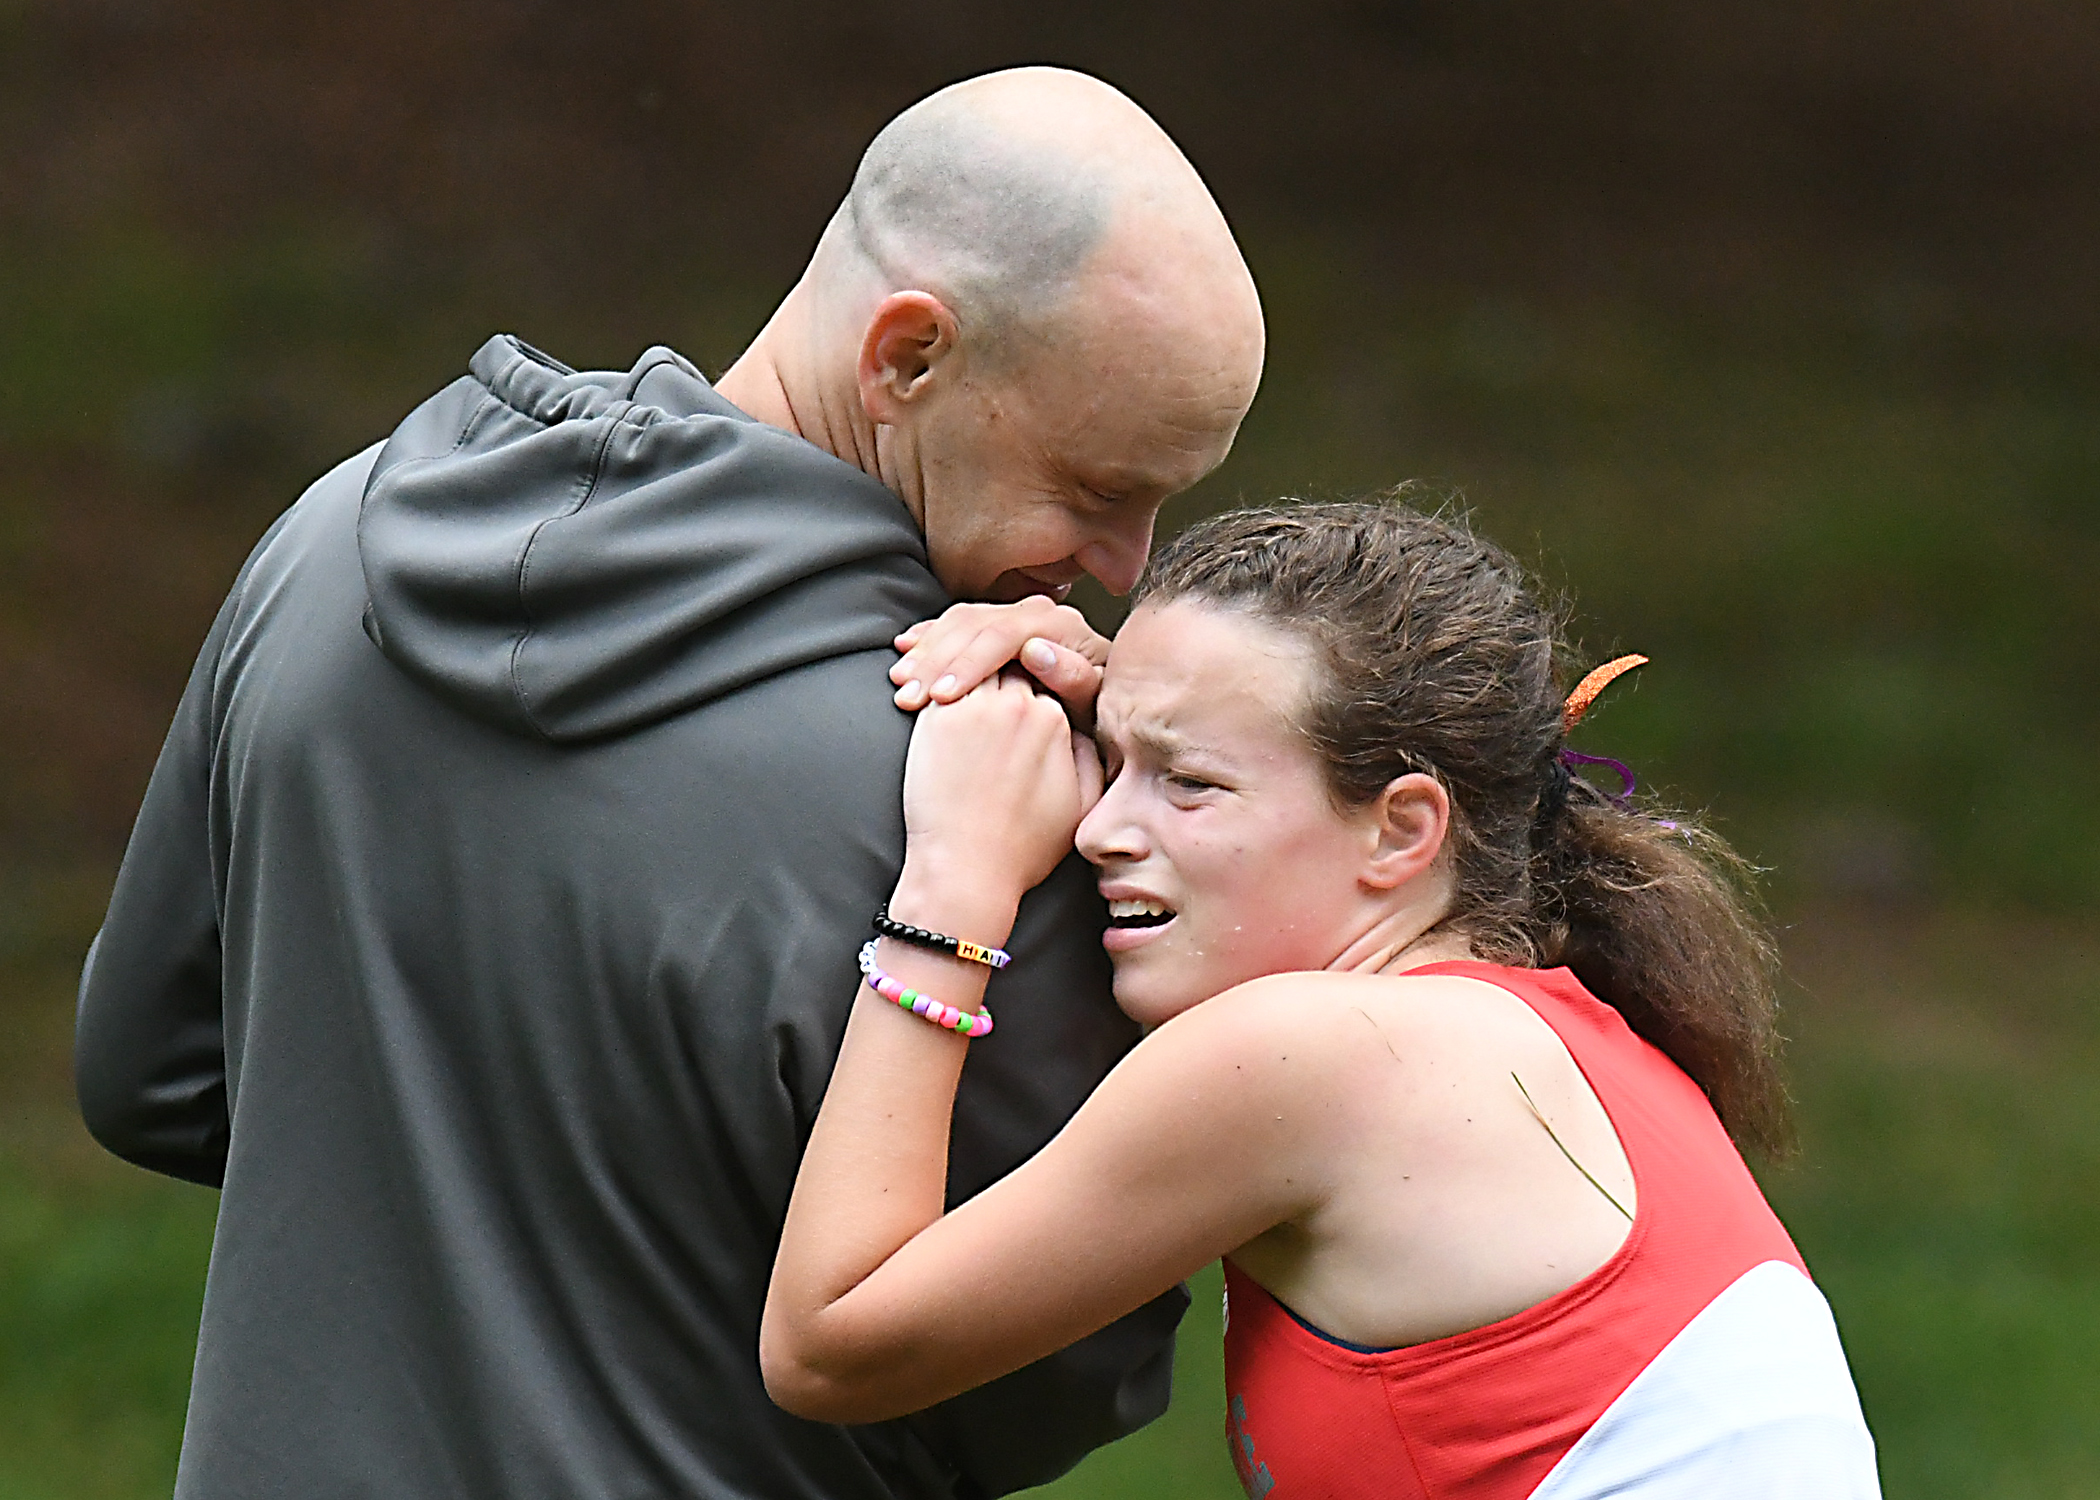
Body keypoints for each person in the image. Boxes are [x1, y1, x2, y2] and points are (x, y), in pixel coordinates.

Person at [74, 67, 1264, 1500]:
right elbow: (1058, 1377)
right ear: (907, 358)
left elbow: (148, 1072)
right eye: (1096, 489)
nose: (1129, 568)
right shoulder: (979, 797)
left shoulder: (326, 551)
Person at [762, 501, 1884, 1498]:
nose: (1102, 825)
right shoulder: (1551, 1030)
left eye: (1187, 781)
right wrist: (1156, 703)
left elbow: (830, 1347)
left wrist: (951, 890)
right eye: (1114, 759)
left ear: (1401, 831)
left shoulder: (1321, 1055)